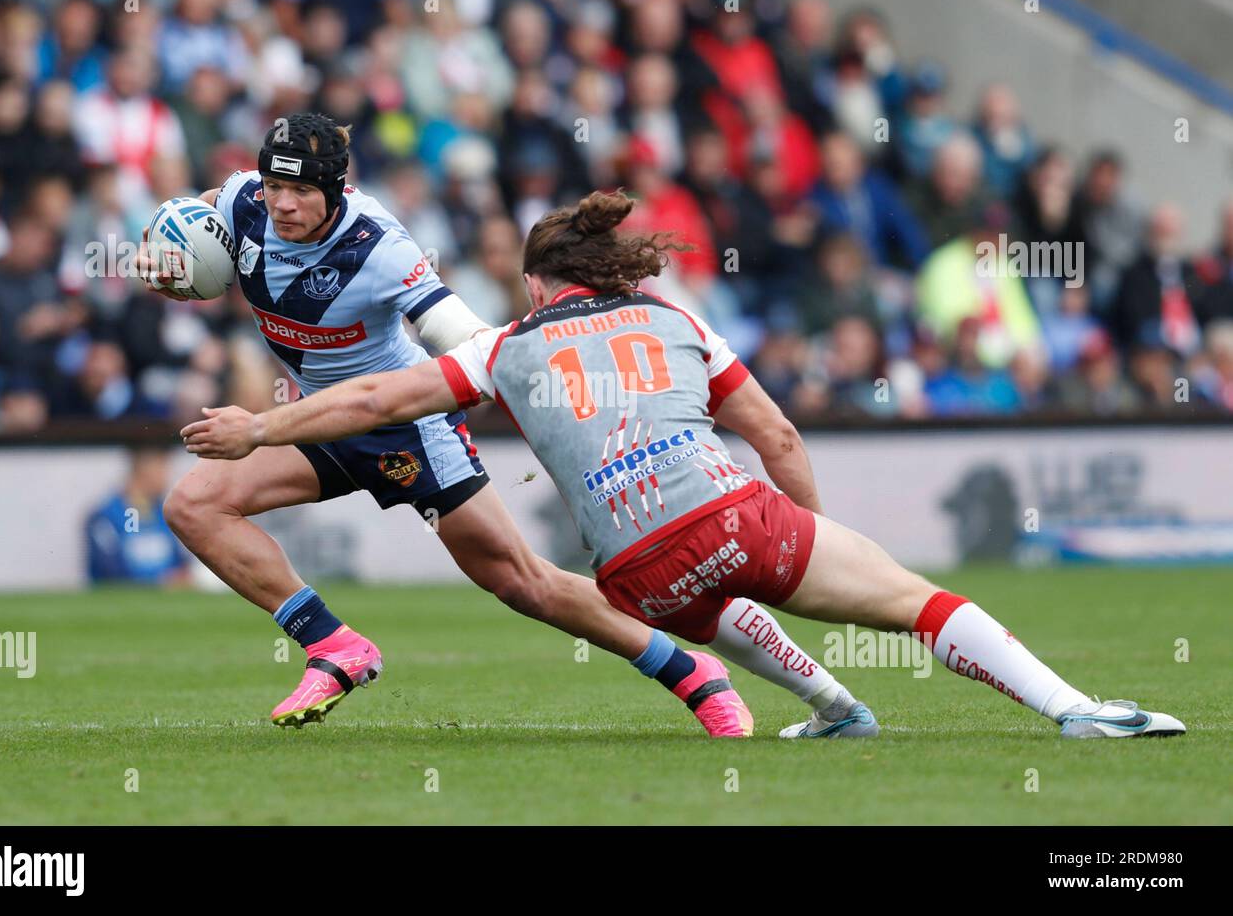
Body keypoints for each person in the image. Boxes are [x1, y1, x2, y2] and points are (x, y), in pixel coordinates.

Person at [182, 190, 1187, 740]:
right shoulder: (678, 318)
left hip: (636, 577)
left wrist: (261, 429)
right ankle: (1074, 710)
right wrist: (810, 537)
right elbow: (779, 438)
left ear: (538, 282)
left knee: (704, 601)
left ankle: (831, 705)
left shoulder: (503, 346)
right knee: (920, 603)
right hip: (739, 518)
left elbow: (373, 400)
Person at [138, 113, 754, 735]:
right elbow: (204, 210)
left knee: (522, 583)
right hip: (318, 420)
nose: (283, 204)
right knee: (194, 505)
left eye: (301, 192)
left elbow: (456, 334)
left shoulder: (380, 246)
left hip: (409, 425)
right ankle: (333, 645)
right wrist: (169, 255)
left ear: (337, 189)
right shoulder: (248, 198)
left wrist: (545, 373)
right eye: (274, 187)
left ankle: (691, 673)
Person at [86, 447, 189, 585]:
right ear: (145, 470)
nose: (167, 476)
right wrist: (159, 583)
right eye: (163, 468)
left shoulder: (163, 513)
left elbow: (178, 562)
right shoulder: (105, 517)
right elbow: (109, 571)